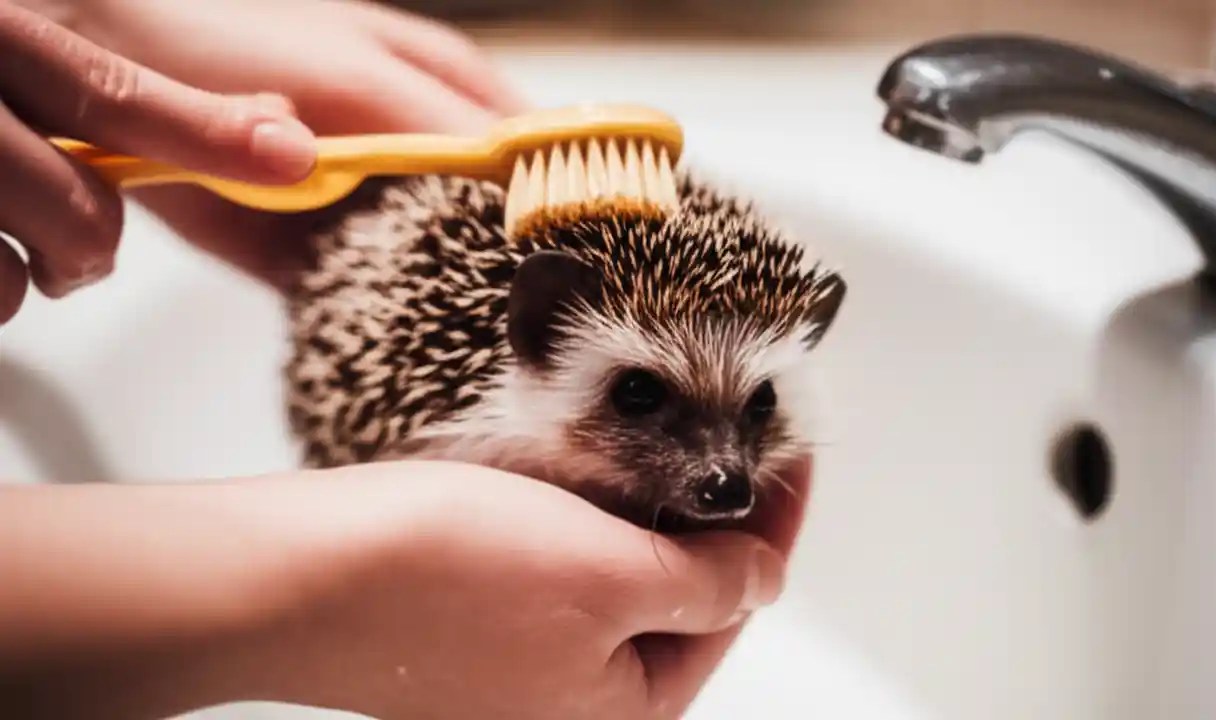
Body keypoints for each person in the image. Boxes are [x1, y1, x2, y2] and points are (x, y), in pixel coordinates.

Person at [0, 2, 812, 719]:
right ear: (535, 341)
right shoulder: (459, 419)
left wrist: (84, 23)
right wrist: (320, 603)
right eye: (639, 395)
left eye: (757, 410)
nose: (726, 470)